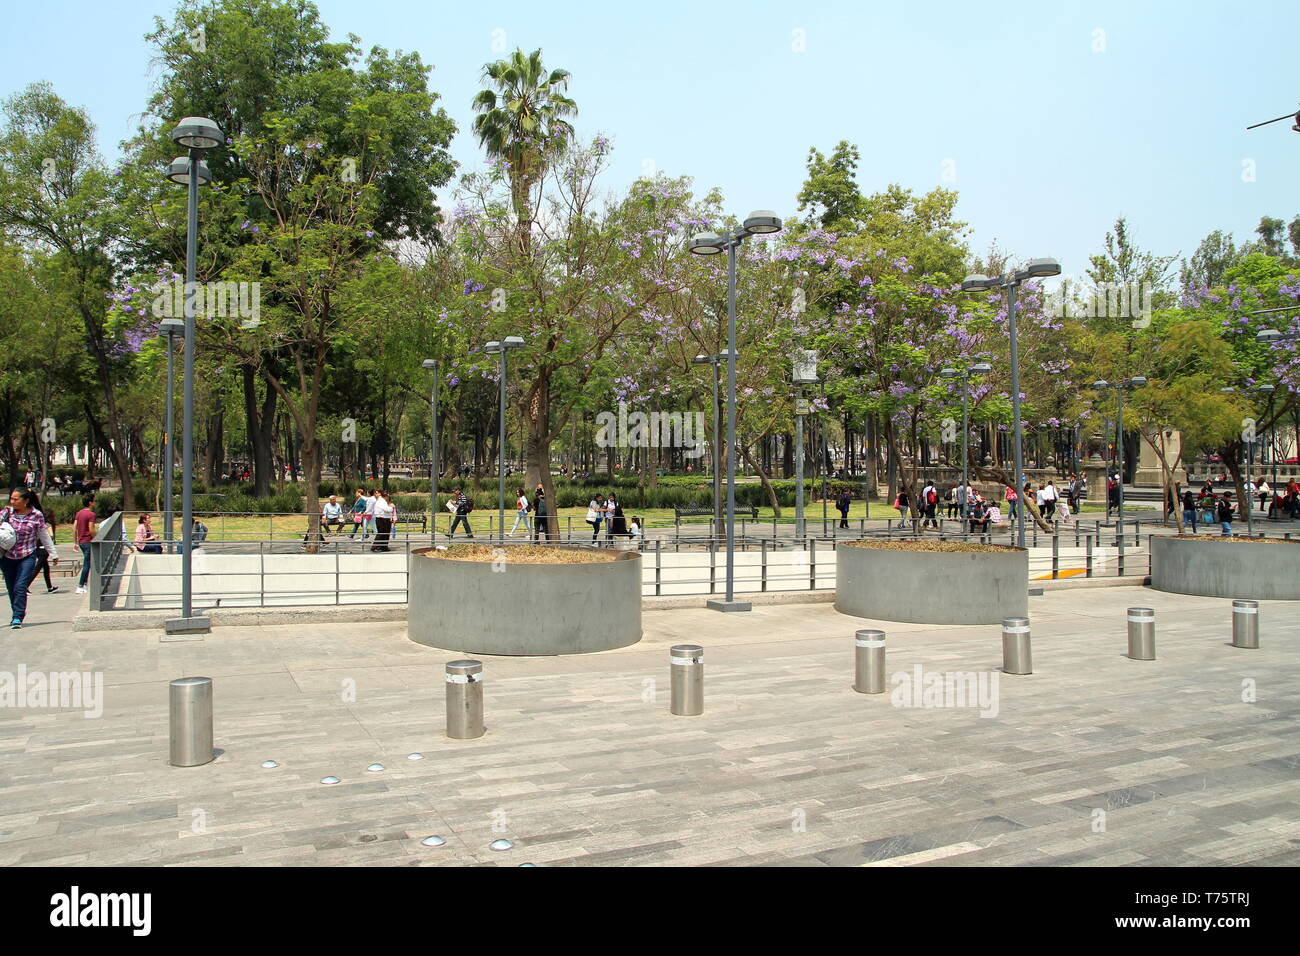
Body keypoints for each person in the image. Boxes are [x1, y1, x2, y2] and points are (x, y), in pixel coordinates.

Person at [1, 488, 58, 628]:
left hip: (27, 555)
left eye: (16, 499)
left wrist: (53, 553)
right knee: (11, 587)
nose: (12, 501)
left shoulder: (36, 515)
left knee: (20, 586)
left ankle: (17, 617)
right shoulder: (6, 512)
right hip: (7, 556)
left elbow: (44, 535)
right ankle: (16, 612)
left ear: (26, 501)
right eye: (11, 498)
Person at [73, 494, 97, 594]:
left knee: (88, 563)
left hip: (81, 541)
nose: (95, 502)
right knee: (87, 564)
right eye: (94, 501)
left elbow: (74, 528)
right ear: (90, 502)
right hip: (88, 541)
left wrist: (75, 542)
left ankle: (85, 585)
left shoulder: (79, 513)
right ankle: (80, 585)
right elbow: (91, 529)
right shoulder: (91, 515)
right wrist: (96, 538)